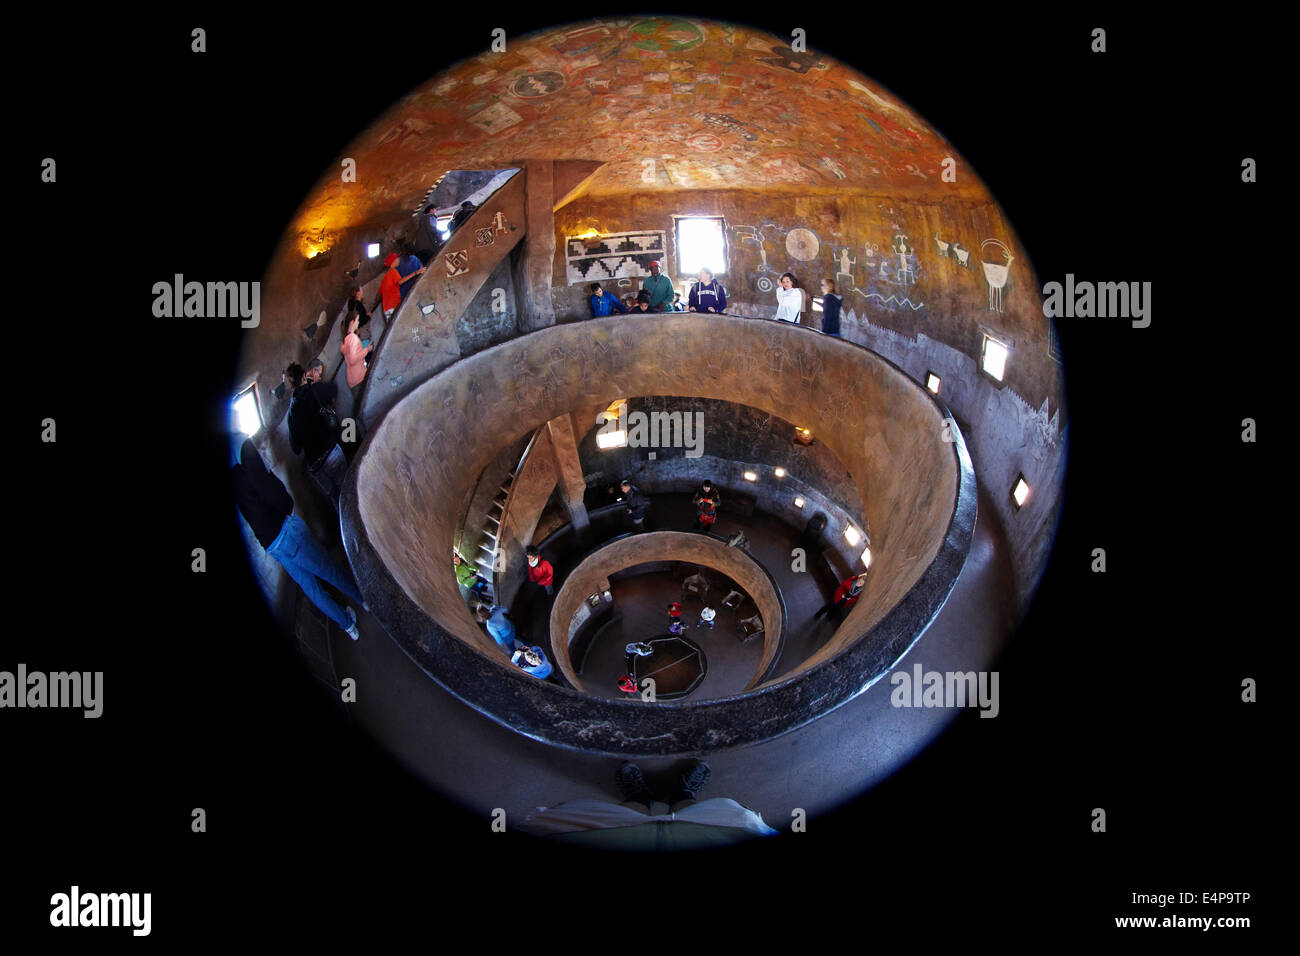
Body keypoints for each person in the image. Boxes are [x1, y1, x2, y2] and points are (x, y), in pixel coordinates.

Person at [231, 439, 363, 640]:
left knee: (310, 587)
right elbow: (266, 485)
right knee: (327, 568)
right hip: (284, 529)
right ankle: (364, 599)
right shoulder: (243, 447)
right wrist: (288, 507)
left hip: (271, 545)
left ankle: (348, 625)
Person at [521, 761, 779, 847]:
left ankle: (639, 798)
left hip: (593, 834)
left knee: (623, 814)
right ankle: (682, 795)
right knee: (704, 811)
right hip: (719, 833)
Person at [286, 360, 346, 505]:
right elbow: (333, 389)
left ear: (290, 385)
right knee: (347, 489)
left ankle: (344, 524)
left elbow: (296, 449)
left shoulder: (291, 413)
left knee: (336, 499)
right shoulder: (313, 391)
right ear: (305, 375)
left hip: (315, 466)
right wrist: (313, 384)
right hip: (330, 453)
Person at [372, 252, 422, 324]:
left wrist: (372, 309)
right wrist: (415, 273)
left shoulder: (384, 278)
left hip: (387, 310)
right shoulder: (393, 271)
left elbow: (378, 295)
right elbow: (400, 282)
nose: (398, 262)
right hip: (394, 306)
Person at [340, 312, 372, 398]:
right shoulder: (353, 338)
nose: (358, 323)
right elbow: (353, 359)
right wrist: (366, 350)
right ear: (352, 323)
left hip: (352, 380)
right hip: (359, 378)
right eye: (357, 321)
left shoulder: (346, 339)